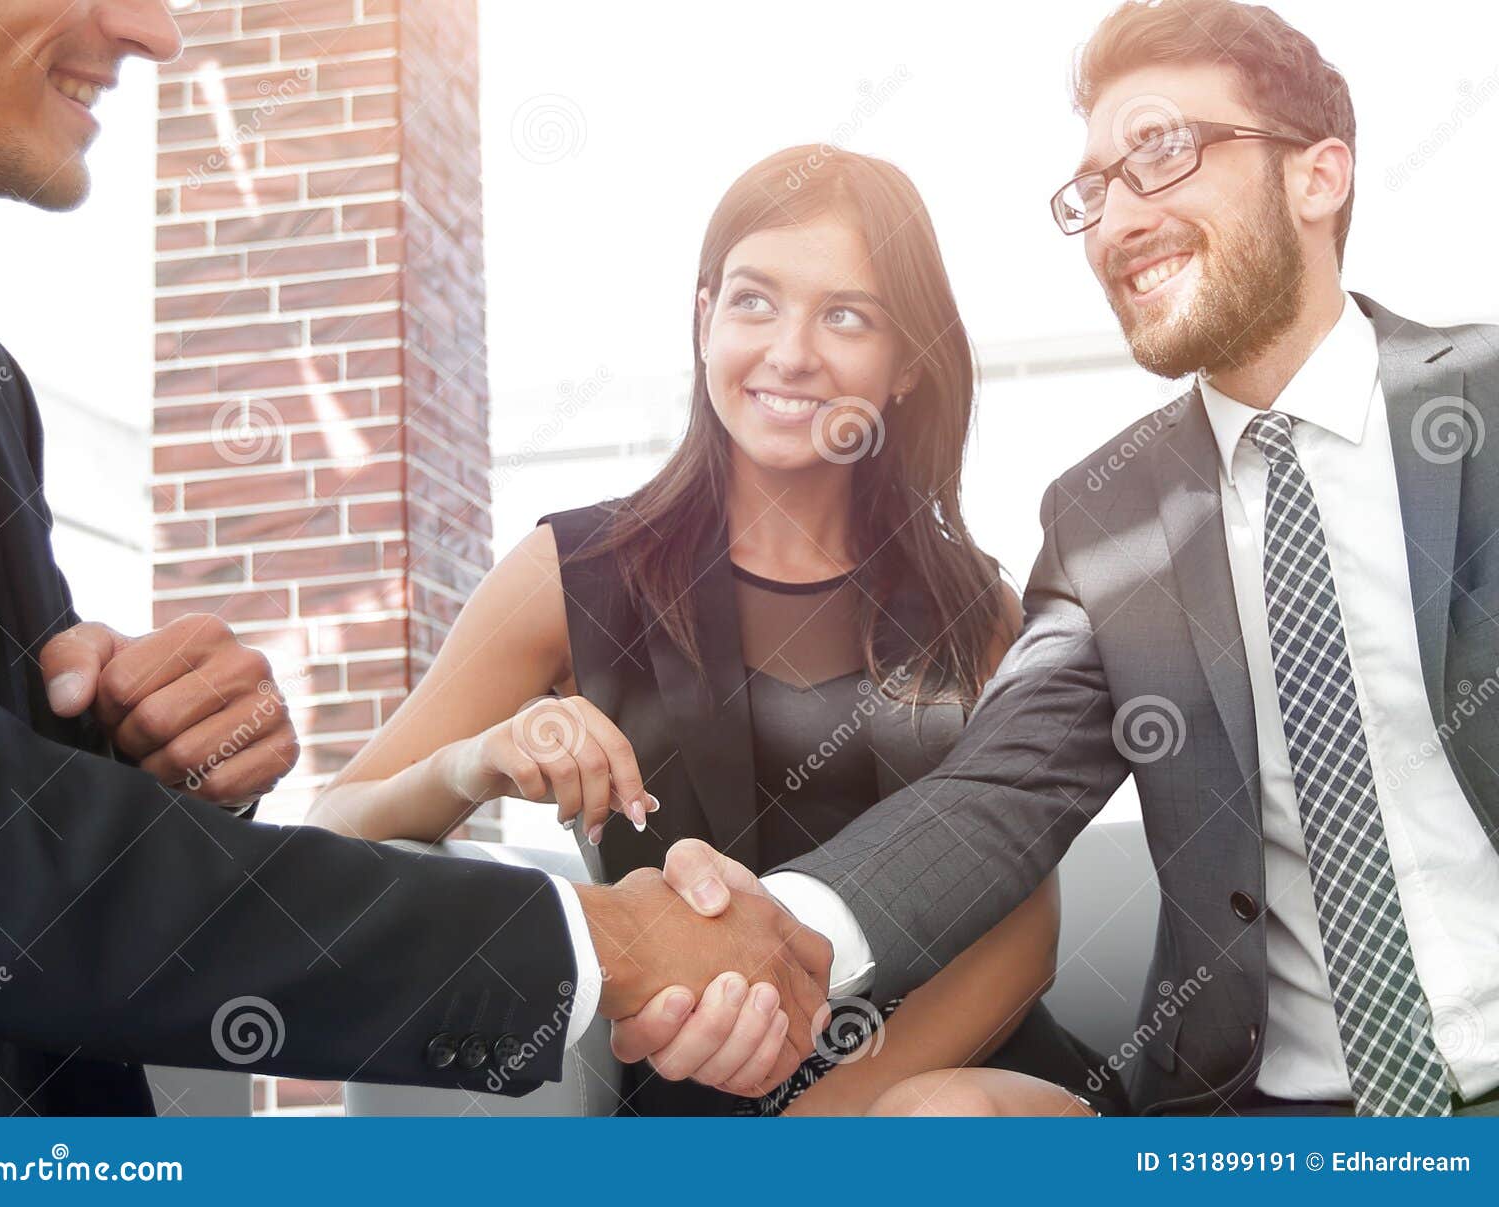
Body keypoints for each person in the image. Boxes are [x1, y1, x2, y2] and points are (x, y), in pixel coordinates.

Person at [0, 0, 828, 1116]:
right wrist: (597, 938)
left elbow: (5, 855)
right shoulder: (576, 566)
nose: (155, 30)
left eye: (851, 317)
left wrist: (128, 759)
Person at [622, 0, 1499, 1117]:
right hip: (1259, 1127)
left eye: (1161, 155)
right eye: (1091, 191)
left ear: (1317, 178)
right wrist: (779, 938)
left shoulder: (1477, 399)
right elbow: (999, 793)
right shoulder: (1104, 514)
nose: (1115, 220)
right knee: (938, 1126)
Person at [309, 146, 1126, 1116]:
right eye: (752, 301)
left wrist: (814, 1135)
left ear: (905, 362)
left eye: (846, 315)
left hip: (952, 1085)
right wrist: (474, 765)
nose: (789, 352)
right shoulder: (566, 576)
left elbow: (1020, 937)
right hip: (696, 1099)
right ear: (703, 321)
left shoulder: (976, 604)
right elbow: (330, 830)